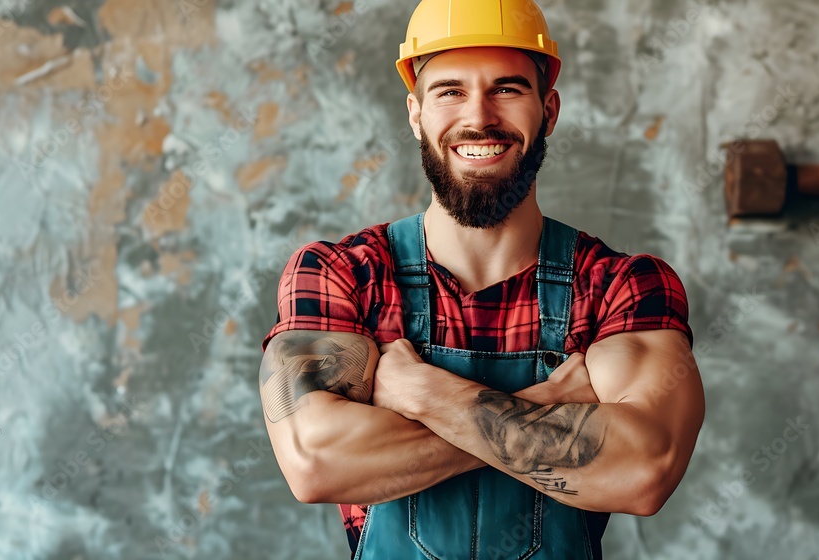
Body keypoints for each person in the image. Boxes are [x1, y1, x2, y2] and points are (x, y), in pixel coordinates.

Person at [258, 1, 705, 558]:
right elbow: (316, 464)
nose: (480, 117)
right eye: (449, 91)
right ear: (415, 112)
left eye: (507, 89)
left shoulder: (622, 287)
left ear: (549, 109)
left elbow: (643, 469)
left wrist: (422, 394)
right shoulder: (341, 275)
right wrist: (545, 403)